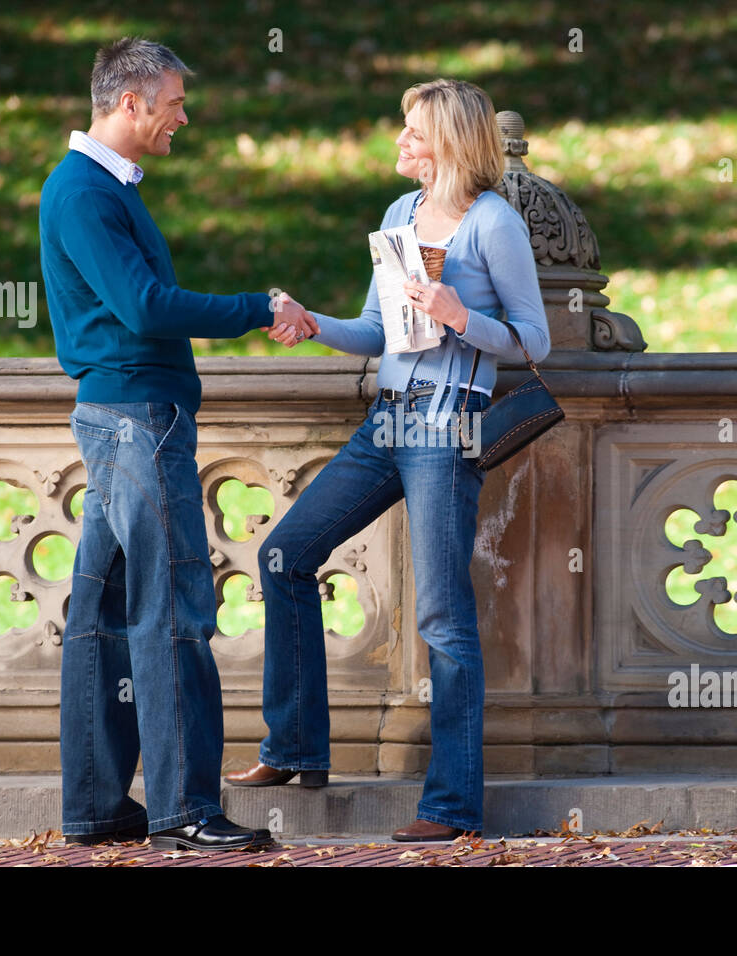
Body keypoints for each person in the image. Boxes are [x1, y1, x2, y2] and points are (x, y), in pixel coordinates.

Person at [226, 78, 551, 841]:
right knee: (284, 555)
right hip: (388, 423)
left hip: (448, 432)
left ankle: (450, 808)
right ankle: (296, 746)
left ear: (449, 142)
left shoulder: (493, 224)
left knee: (442, 618)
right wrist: (314, 325)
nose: (399, 144)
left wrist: (462, 317)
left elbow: (534, 340)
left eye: (412, 132)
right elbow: (379, 330)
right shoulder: (399, 215)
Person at [38, 37, 317, 851]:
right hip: (137, 420)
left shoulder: (93, 187)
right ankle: (186, 810)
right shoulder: (86, 192)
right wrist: (257, 308)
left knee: (105, 615)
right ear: (129, 103)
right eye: (173, 103)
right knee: (175, 612)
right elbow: (147, 307)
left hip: (119, 415)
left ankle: (97, 806)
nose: (182, 117)